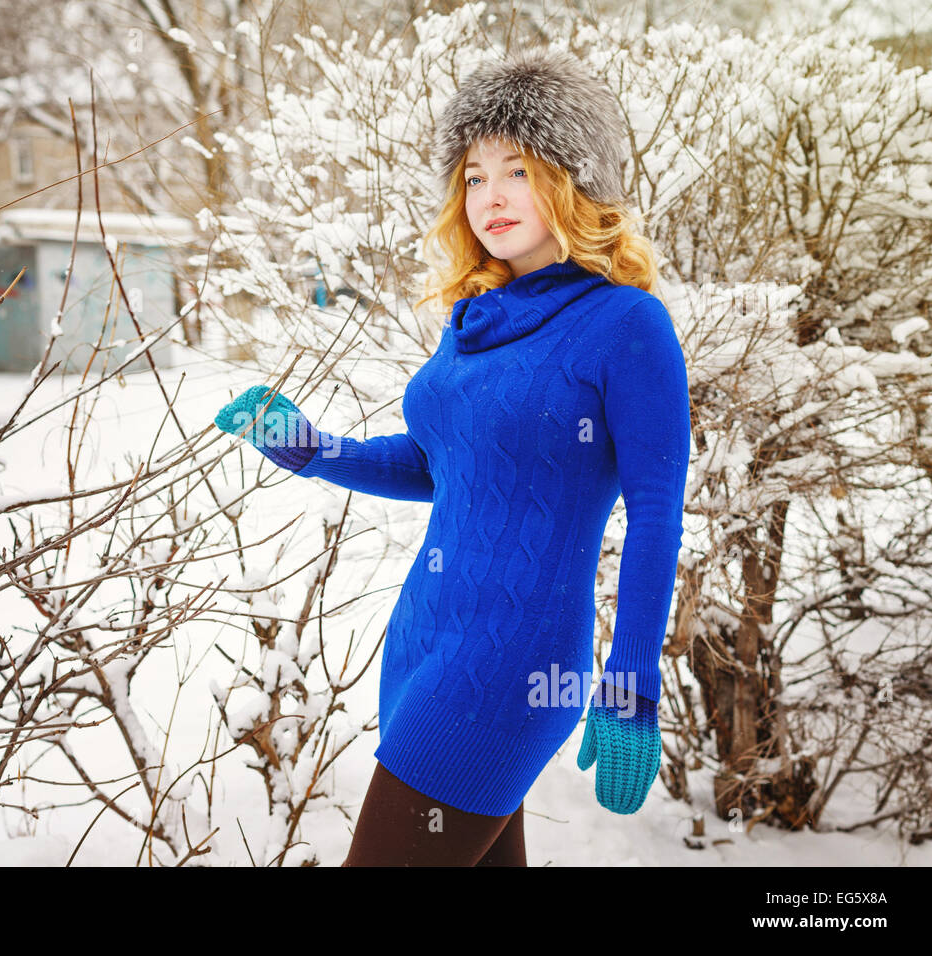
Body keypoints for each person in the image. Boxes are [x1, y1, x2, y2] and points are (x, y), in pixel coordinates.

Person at [213, 46, 692, 866]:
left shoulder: (625, 325)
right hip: (422, 647)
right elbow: (444, 466)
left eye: (516, 169)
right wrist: (311, 450)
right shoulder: (475, 317)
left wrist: (631, 682)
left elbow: (656, 509)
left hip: (511, 667)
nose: (490, 196)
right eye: (473, 175)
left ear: (572, 180)